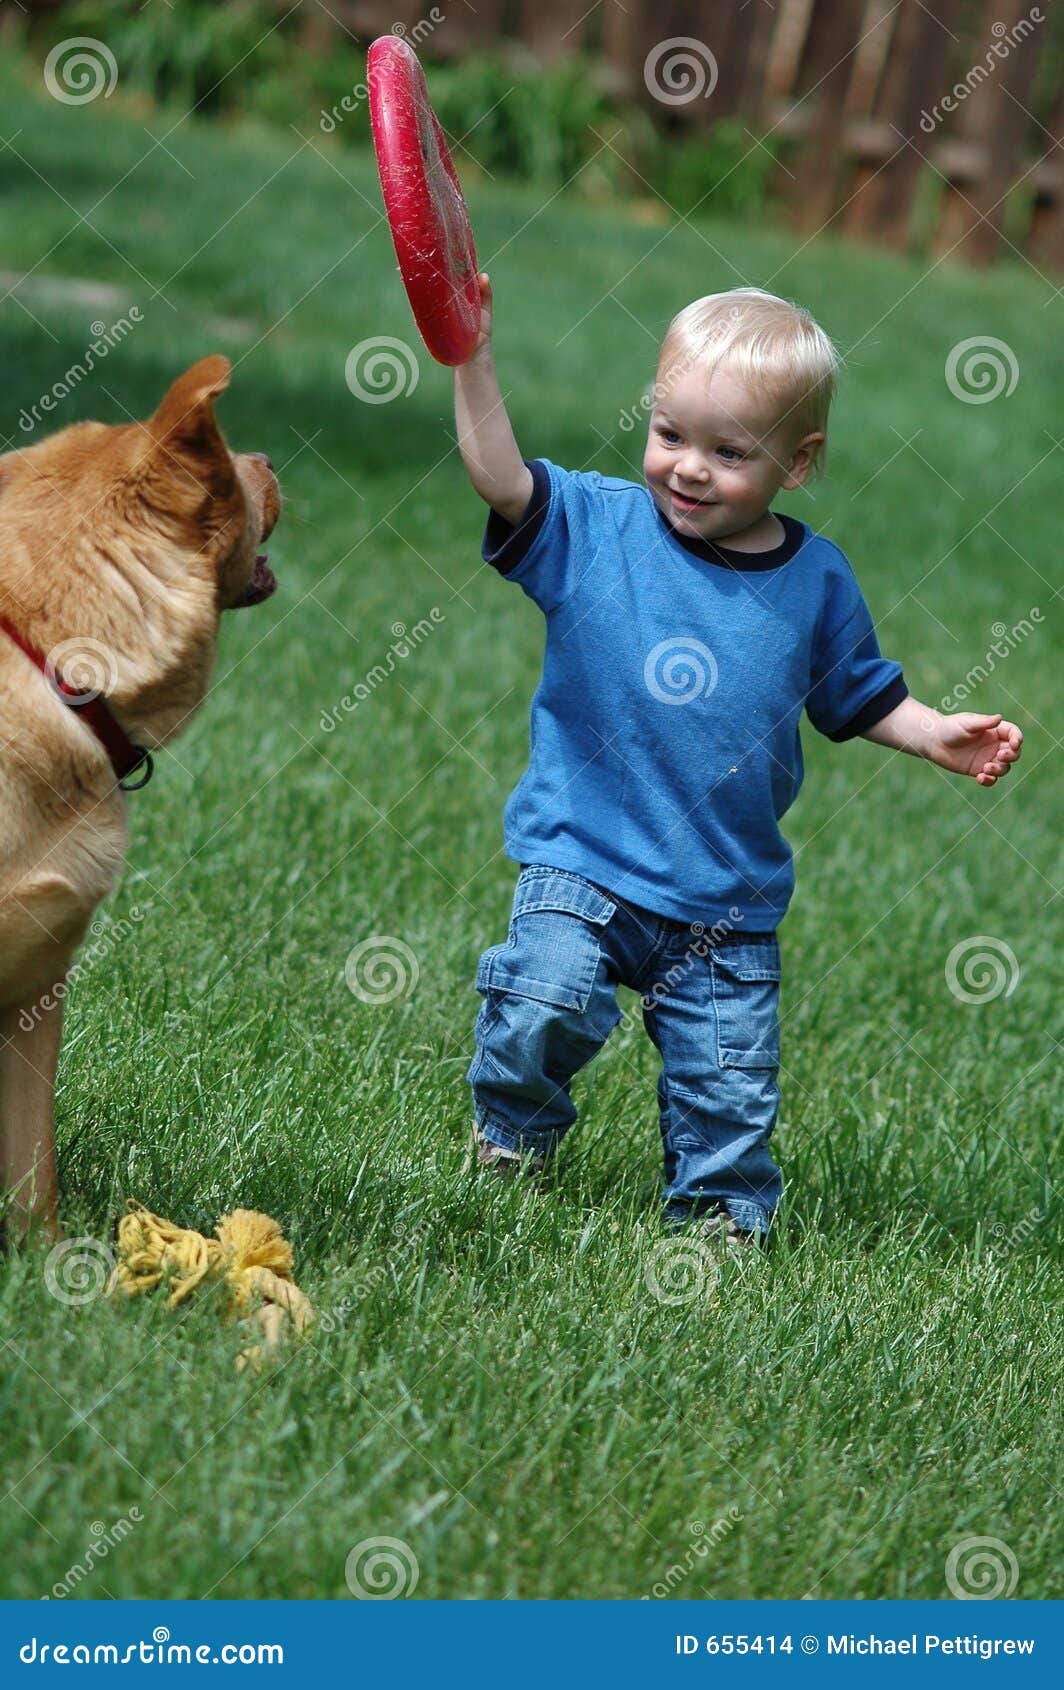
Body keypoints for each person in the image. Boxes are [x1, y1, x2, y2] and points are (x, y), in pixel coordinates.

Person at [453, 278, 1023, 1244]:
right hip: (582, 860)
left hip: (723, 898)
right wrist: (471, 353)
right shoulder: (597, 528)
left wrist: (931, 734)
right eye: (671, 434)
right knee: (542, 1002)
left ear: (799, 463)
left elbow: (859, 693)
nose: (688, 470)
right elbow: (501, 478)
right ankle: (510, 1135)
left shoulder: (815, 581)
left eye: (730, 451)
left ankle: (720, 1225)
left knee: (728, 1090)